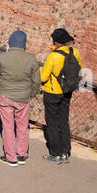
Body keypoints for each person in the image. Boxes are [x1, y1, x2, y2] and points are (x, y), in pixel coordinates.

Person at [0, 30, 42, 165]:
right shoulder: (31, 59)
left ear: (11, 42)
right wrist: (31, 94)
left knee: (8, 127)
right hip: (23, 97)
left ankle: (11, 157)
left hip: (5, 96)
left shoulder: (1, 57)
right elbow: (36, 81)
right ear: (23, 44)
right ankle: (22, 154)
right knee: (23, 126)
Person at [40, 28, 82, 165]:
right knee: (63, 121)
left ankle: (55, 153)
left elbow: (43, 76)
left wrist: (40, 69)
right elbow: (78, 69)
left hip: (52, 92)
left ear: (56, 41)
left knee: (52, 123)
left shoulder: (53, 56)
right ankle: (65, 151)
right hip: (67, 91)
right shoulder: (74, 52)